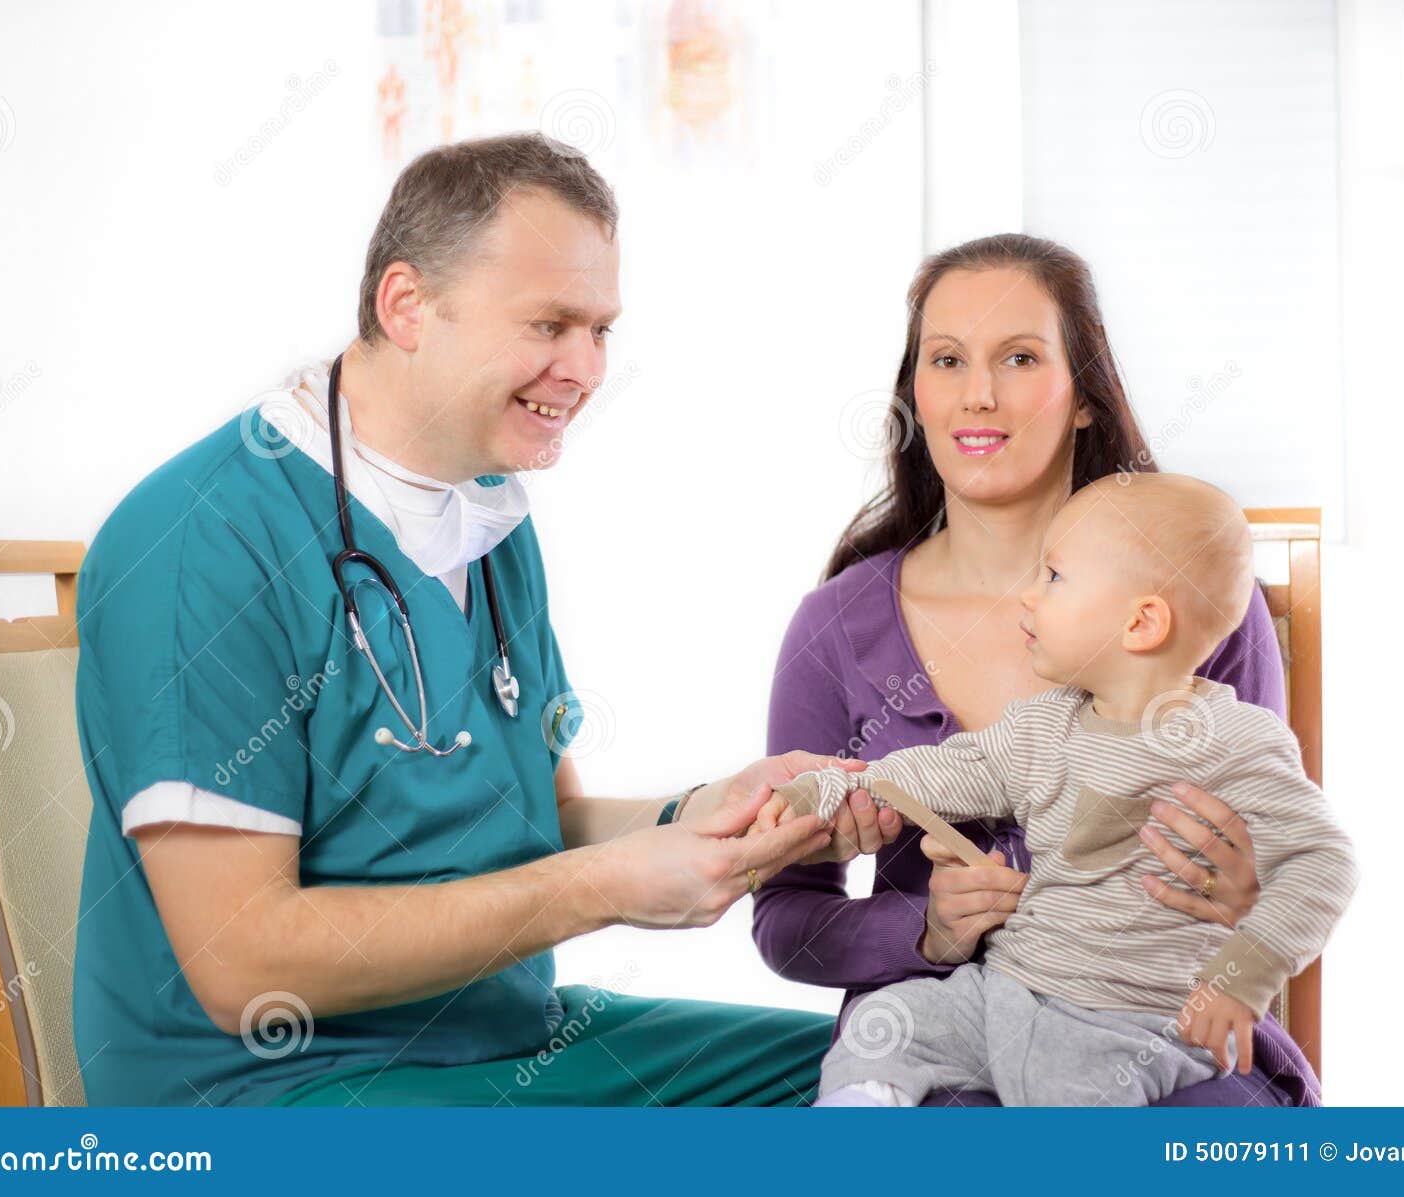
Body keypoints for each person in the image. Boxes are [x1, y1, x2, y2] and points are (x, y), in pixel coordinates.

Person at [70, 132, 869, 1107]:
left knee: (900, 1073)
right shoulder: (205, 539)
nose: (584, 367)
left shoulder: (481, 512)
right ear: (406, 305)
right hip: (276, 1091)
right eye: (549, 324)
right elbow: (242, 964)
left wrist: (712, 813)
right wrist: (607, 889)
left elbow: (545, 817)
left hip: (503, 1043)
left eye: (602, 329)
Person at [751, 233, 1325, 1106]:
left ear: (1085, 395)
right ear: (916, 393)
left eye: (1019, 357)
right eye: (946, 359)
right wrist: (928, 930)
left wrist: (1247, 892)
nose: (978, 393)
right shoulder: (833, 627)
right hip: (953, 1037)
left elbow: (1296, 859)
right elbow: (787, 921)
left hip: (1161, 1034)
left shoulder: (1196, 601)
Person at [756, 474, 1359, 1106]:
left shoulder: (1235, 741)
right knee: (889, 1027)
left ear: (1142, 622)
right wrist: (834, 790)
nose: (1027, 597)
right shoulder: (1048, 722)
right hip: (1006, 989)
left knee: (1072, 1106)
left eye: (1053, 577)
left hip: (1130, 1026)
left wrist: (1240, 976)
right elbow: (949, 771)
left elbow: (1324, 863)